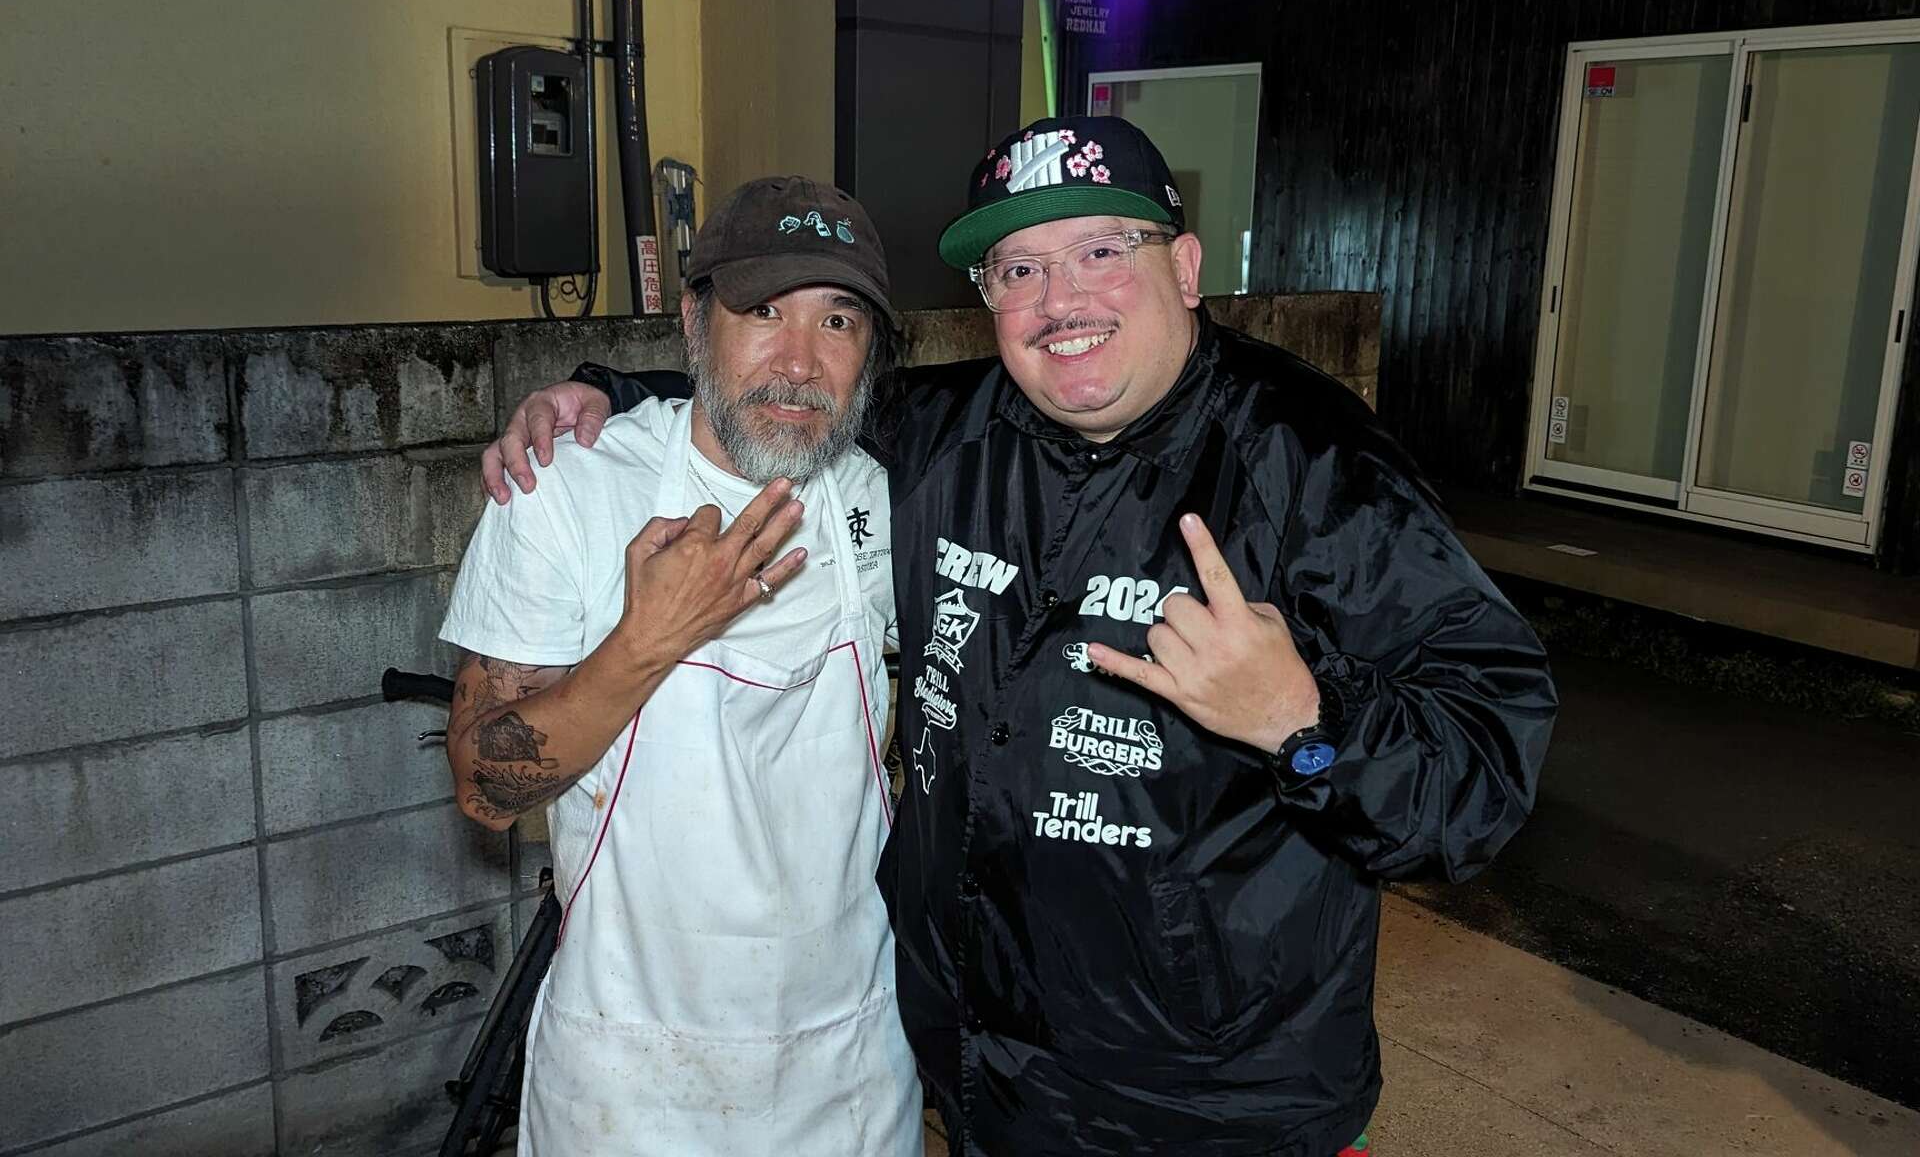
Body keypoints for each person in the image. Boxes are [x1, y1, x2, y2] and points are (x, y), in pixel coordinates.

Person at [486, 117, 1558, 1156]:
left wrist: (1302, 727)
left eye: (1100, 249)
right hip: (991, 1091)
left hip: (1218, 1117)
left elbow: (1487, 762)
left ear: (1185, 268)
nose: (1061, 301)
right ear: (988, 299)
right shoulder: (953, 436)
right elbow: (785, 396)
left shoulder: (1313, 465)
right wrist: (604, 393)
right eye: (1019, 269)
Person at [440, 175, 922, 1154]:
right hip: (632, 1078)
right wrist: (646, 641)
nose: (799, 360)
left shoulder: (891, 497)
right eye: (763, 313)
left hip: (852, 1061)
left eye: (838, 320)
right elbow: (486, 787)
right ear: (695, 326)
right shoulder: (563, 491)